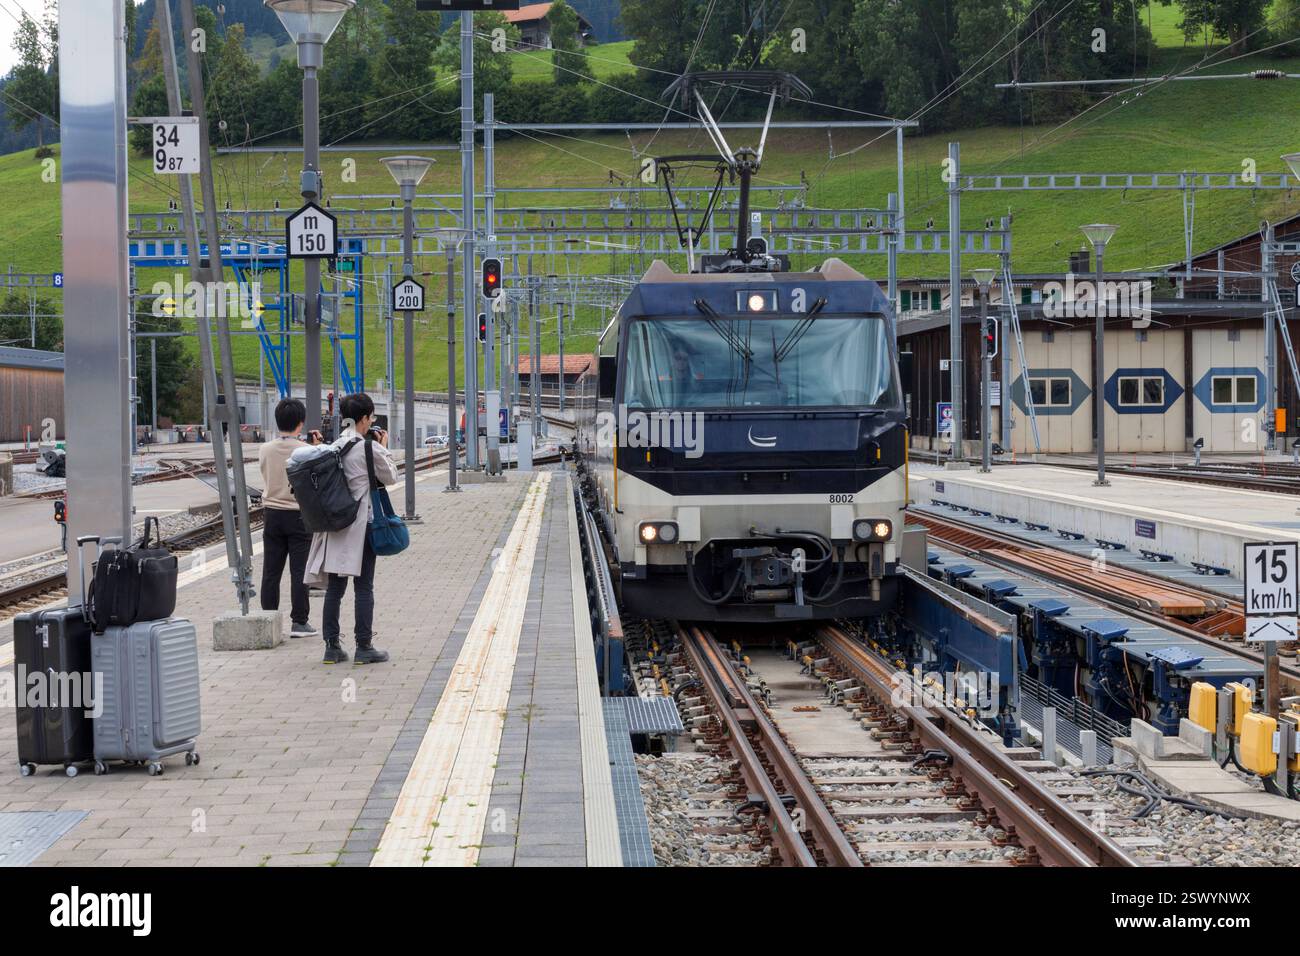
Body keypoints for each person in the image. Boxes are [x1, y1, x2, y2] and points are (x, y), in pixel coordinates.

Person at [303, 392, 398, 665]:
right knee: (364, 586)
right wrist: (384, 446)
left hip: (335, 525)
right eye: (371, 418)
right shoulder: (369, 447)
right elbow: (391, 476)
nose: (372, 423)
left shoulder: (334, 446)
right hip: (362, 525)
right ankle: (364, 646)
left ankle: (332, 647)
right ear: (366, 418)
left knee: (335, 588)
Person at [258, 398, 322, 637]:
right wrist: (315, 446)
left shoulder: (265, 449)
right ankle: (299, 622)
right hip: (298, 515)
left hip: (272, 514)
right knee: (299, 571)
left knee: (271, 571)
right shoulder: (307, 450)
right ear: (301, 422)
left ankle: (268, 619)